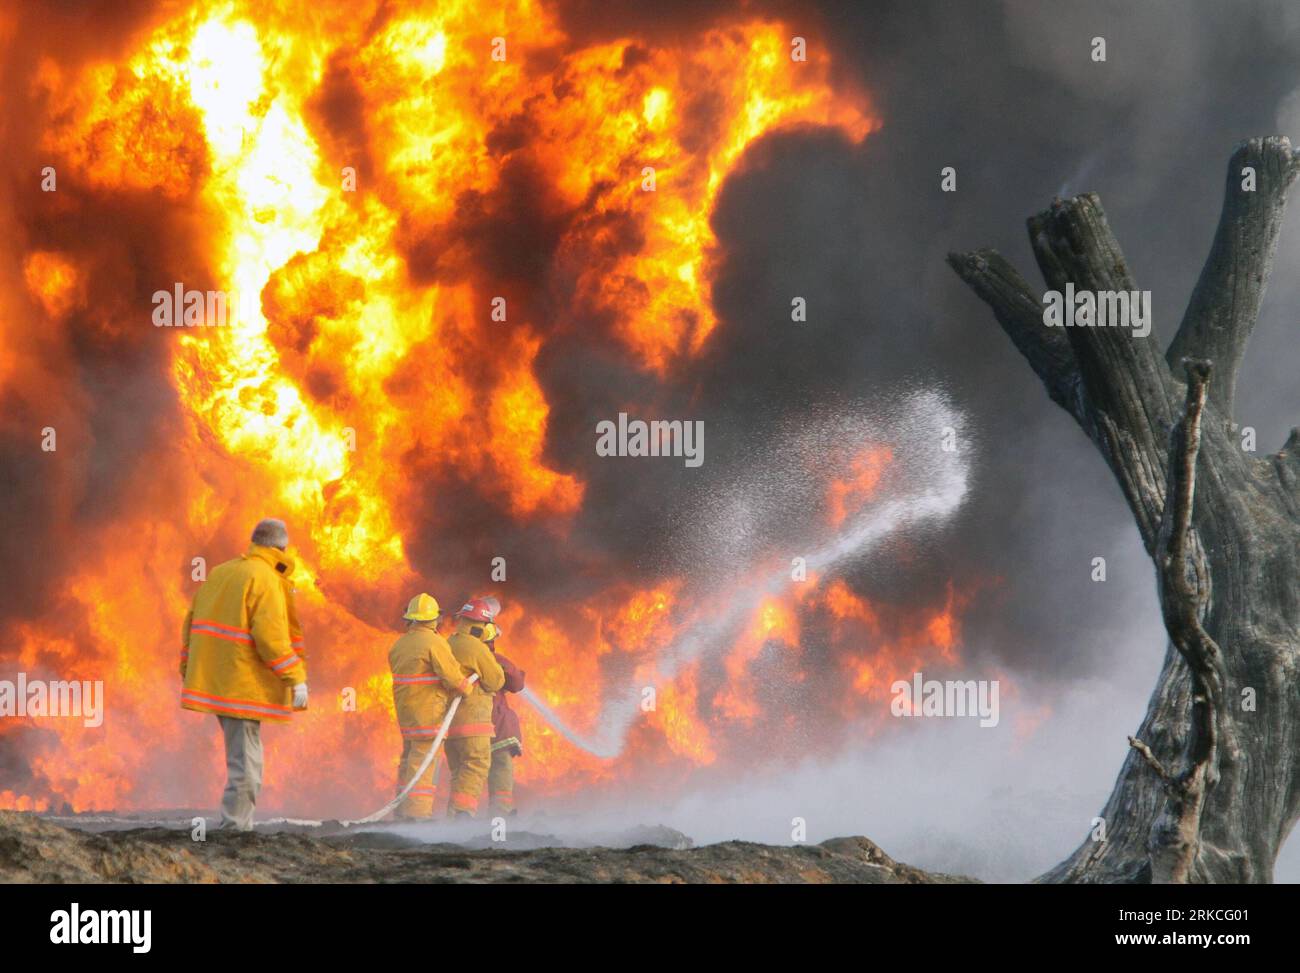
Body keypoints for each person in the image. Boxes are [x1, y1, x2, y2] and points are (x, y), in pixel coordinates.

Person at [180, 518, 307, 831]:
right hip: (242, 684)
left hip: (218, 682)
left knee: (243, 756)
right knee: (247, 764)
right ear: (281, 548)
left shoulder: (222, 572)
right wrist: (295, 678)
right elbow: (271, 637)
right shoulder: (265, 578)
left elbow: (191, 626)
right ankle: (236, 828)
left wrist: (190, 671)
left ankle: (238, 824)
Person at [387, 593, 472, 819]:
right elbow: (452, 678)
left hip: (406, 715)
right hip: (428, 714)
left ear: (411, 618)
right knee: (422, 765)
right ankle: (418, 816)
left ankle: (401, 812)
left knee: (408, 762)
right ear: (434, 619)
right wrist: (467, 688)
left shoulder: (399, 644)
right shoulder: (435, 643)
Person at [444, 598, 505, 817]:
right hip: (472, 721)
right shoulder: (475, 647)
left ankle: (454, 818)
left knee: (459, 772)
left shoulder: (448, 643)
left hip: (449, 725)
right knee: (476, 764)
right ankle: (462, 815)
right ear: (482, 624)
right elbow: (496, 681)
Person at [484, 618, 525, 815]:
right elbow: (516, 683)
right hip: (495, 726)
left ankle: (462, 818)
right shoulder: (495, 660)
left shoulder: (454, 656)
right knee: (500, 766)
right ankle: (500, 814)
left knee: (467, 772)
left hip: (463, 728)